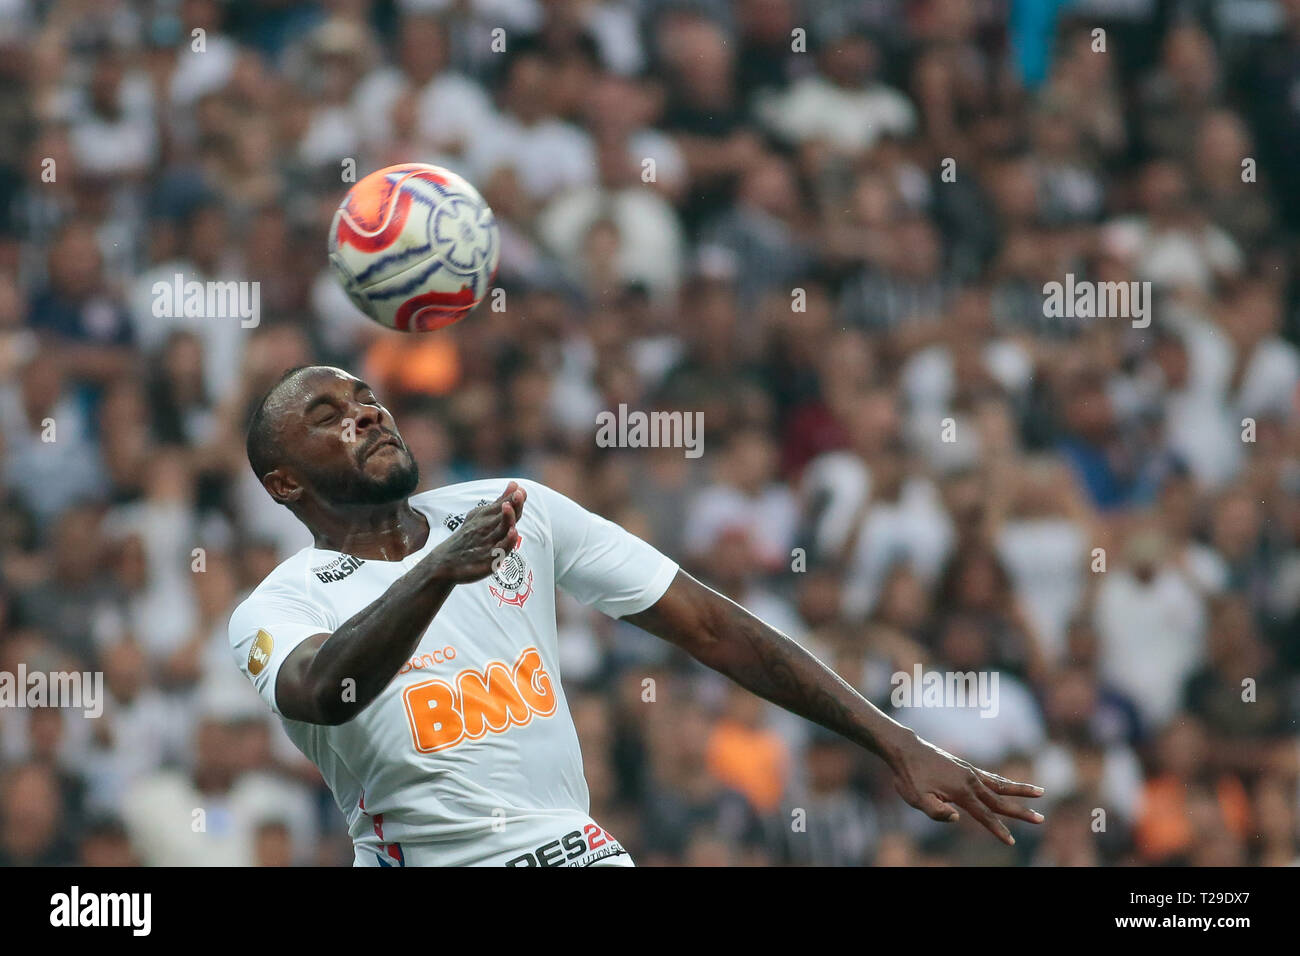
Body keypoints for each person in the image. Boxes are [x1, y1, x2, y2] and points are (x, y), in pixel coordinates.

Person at [229, 365, 1044, 866]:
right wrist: (437, 574)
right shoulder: (279, 605)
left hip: (571, 854)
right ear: (284, 483)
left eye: (367, 399)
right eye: (328, 415)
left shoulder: (513, 509)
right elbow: (325, 691)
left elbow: (711, 625)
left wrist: (894, 742)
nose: (367, 414)